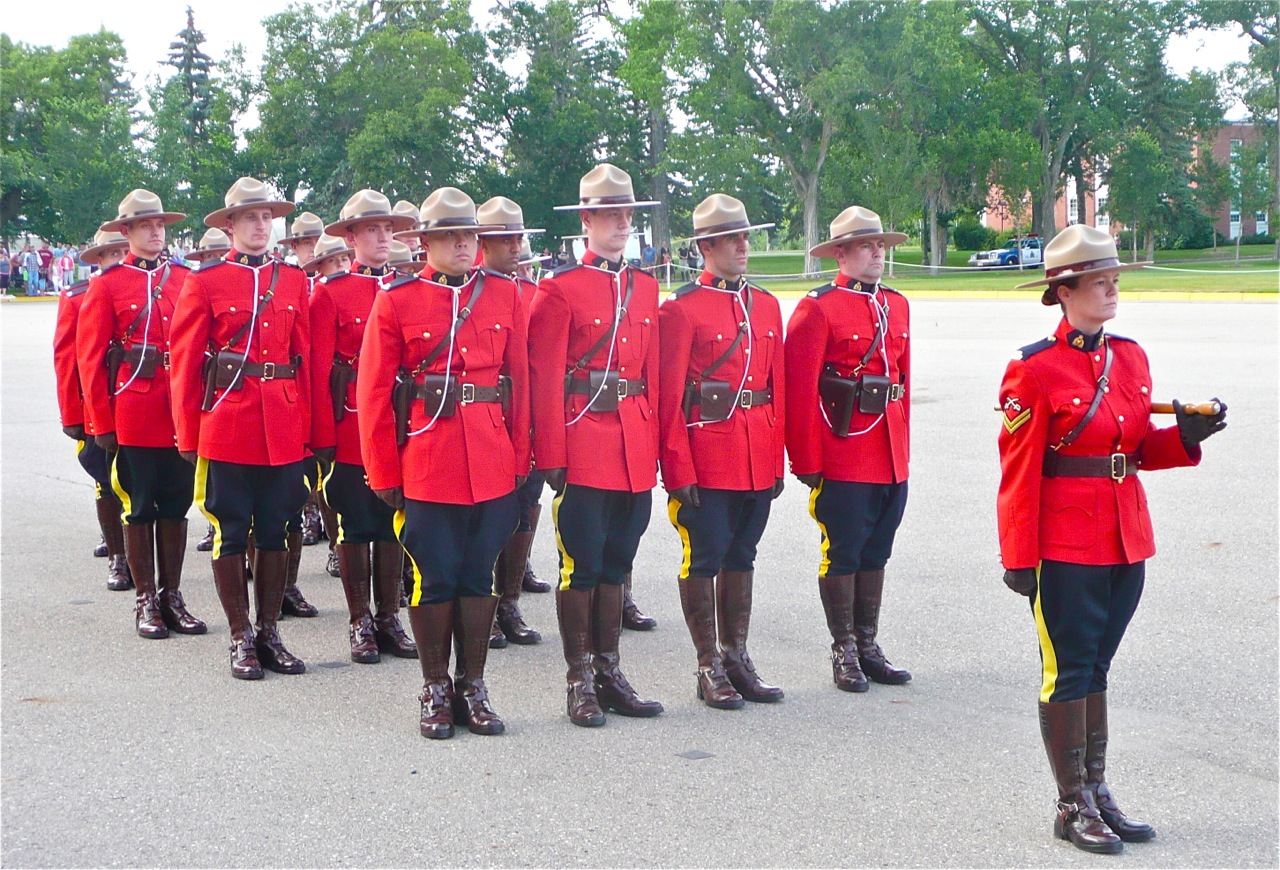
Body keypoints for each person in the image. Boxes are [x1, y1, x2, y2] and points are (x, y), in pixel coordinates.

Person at [997, 224, 1227, 854]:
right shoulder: (1033, 370)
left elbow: (1132, 451)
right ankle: (1071, 804)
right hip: (1063, 545)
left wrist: (1186, 437)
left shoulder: (1129, 356)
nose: (1111, 290)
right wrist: (1018, 556)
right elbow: (1018, 472)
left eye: (1115, 279)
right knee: (1068, 671)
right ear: (1063, 292)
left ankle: (1096, 788)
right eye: (1099, 282)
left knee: (1097, 668)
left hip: (1126, 538)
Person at [360, 186, 529, 739]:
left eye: (470, 235)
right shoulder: (397, 299)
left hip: (491, 458)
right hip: (428, 460)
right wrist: (384, 472)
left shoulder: (504, 294)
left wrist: (520, 457)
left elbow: (520, 385)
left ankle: (473, 686)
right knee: (435, 579)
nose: (463, 243)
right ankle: (435, 688)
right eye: (451, 235)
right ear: (426, 241)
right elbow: (375, 393)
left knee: (479, 578)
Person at [529, 163, 665, 727]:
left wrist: (656, 450)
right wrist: (553, 459)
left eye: (627, 213)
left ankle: (610, 671)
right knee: (580, 569)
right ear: (585, 219)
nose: (620, 222)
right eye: (609, 214)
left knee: (618, 565)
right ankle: (579, 679)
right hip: (584, 445)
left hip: (634, 444)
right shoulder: (559, 290)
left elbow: (651, 376)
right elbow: (543, 379)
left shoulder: (646, 286)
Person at [170, 177, 311, 680]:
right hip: (229, 421)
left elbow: (305, 359)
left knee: (276, 530)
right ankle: (239, 636)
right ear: (229, 225)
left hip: (283, 419)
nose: (260, 225)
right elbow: (186, 364)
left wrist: (309, 430)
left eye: (267, 217)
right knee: (230, 531)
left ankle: (270, 631)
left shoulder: (293, 280)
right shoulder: (204, 282)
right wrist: (188, 434)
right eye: (250, 217)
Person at [659, 194, 786, 710]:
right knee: (704, 558)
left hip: (755, 454)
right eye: (732, 237)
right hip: (707, 457)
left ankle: (737, 655)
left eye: (746, 236)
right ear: (707, 245)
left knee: (743, 556)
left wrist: (776, 460)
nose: (743, 245)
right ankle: (708, 664)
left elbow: (777, 390)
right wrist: (678, 468)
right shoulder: (682, 309)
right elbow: (669, 400)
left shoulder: (768, 305)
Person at [785, 205, 913, 694]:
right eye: (865, 245)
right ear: (840, 253)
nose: (877, 253)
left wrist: (903, 451)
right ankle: (843, 649)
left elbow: (902, 381)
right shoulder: (817, 308)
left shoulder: (897, 304)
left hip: (889, 452)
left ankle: (868, 643)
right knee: (844, 551)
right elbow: (800, 392)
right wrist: (808, 462)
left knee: (877, 550)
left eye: (880, 244)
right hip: (844, 451)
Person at [77, 190, 206, 640]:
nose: (155, 232)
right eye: (145, 226)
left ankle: (173, 596)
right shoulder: (107, 284)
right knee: (138, 507)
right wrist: (101, 424)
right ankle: (145, 599)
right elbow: (90, 360)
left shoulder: (187, 279)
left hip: (178, 410)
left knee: (176, 505)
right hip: (134, 409)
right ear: (126, 232)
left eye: (159, 224)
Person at [310, 189, 419, 664]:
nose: (382, 237)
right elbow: (316, 372)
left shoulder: (406, 290)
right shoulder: (330, 294)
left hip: (401, 424)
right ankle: (360, 621)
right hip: (351, 425)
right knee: (356, 526)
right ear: (351, 237)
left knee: (393, 525)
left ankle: (389, 617)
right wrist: (323, 438)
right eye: (372, 229)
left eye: (387, 228)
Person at [475, 196, 550, 648]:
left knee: (525, 507)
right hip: (487, 422)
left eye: (519, 236)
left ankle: (509, 599)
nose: (516, 245)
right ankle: (484, 598)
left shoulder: (530, 290)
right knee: (489, 516)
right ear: (483, 242)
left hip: (527, 419)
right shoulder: (471, 291)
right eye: (506, 238)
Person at [54, 228, 133, 590]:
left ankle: (136, 551)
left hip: (137, 402)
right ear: (98, 259)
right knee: (105, 480)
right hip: (96, 404)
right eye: (111, 253)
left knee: (138, 483)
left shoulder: (148, 287)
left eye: (122, 251)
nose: (118, 258)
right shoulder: (77, 297)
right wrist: (72, 414)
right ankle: (119, 556)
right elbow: (68, 360)